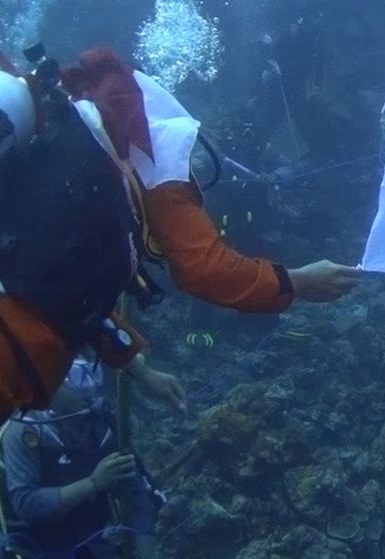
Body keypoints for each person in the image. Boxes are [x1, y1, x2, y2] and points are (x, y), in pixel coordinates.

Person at [0, 47, 361, 421]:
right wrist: (298, 282)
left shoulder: (73, 154)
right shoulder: (153, 155)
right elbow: (205, 270)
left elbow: (67, 293)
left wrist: (138, 368)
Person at [1, 355, 181, 558]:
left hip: (93, 541)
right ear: (54, 385)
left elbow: (137, 495)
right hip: (34, 545)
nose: (88, 388)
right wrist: (93, 483)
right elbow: (27, 504)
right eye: (76, 377)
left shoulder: (104, 425)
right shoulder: (27, 429)